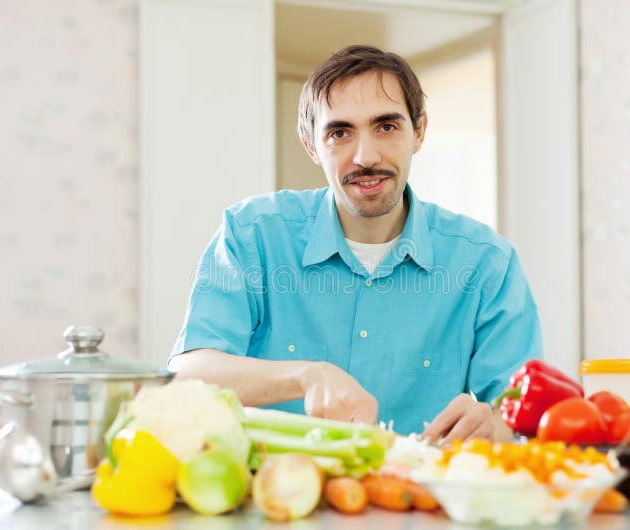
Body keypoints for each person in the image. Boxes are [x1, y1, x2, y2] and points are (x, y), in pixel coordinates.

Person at [169, 45, 542, 443]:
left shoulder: (487, 263)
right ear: (311, 145)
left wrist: (498, 428)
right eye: (340, 133)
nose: (366, 156)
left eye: (386, 126)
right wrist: (306, 375)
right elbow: (186, 376)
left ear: (419, 131)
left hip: (417, 497)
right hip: (278, 494)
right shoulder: (251, 234)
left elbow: (525, 419)